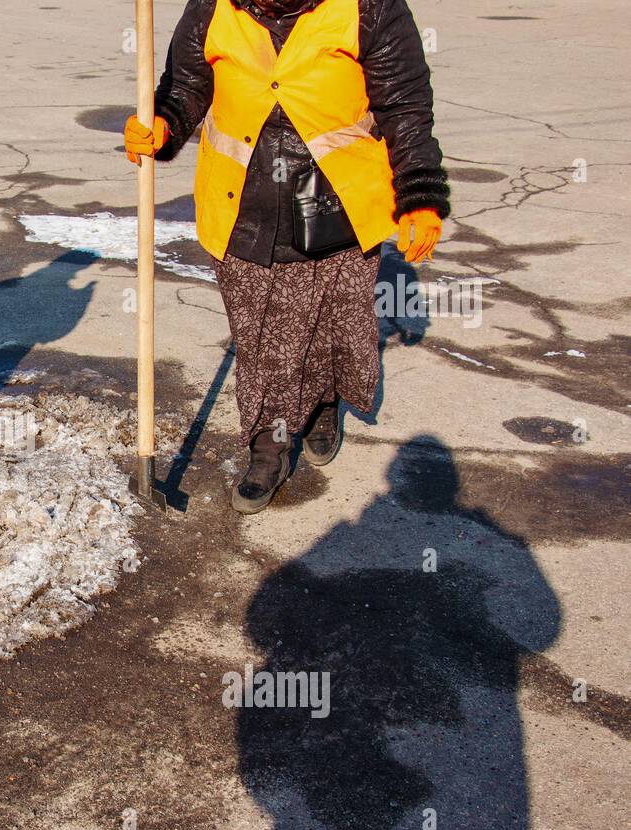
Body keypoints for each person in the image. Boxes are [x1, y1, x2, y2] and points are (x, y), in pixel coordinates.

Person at [124, 0, 450, 513]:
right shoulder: (214, 7)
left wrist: (421, 197)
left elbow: (405, 107)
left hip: (339, 201)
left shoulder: (369, 6)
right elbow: (186, 87)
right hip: (243, 204)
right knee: (261, 338)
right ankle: (268, 448)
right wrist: (162, 125)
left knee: (330, 322)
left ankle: (322, 402)